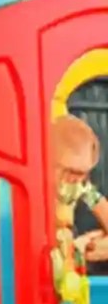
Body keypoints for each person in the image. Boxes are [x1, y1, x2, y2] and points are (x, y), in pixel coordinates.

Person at [53, 115, 108, 274]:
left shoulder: (81, 187)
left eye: (83, 173)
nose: (76, 179)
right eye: (70, 171)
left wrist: (92, 240)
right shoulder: (38, 184)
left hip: (68, 248)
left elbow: (102, 208)